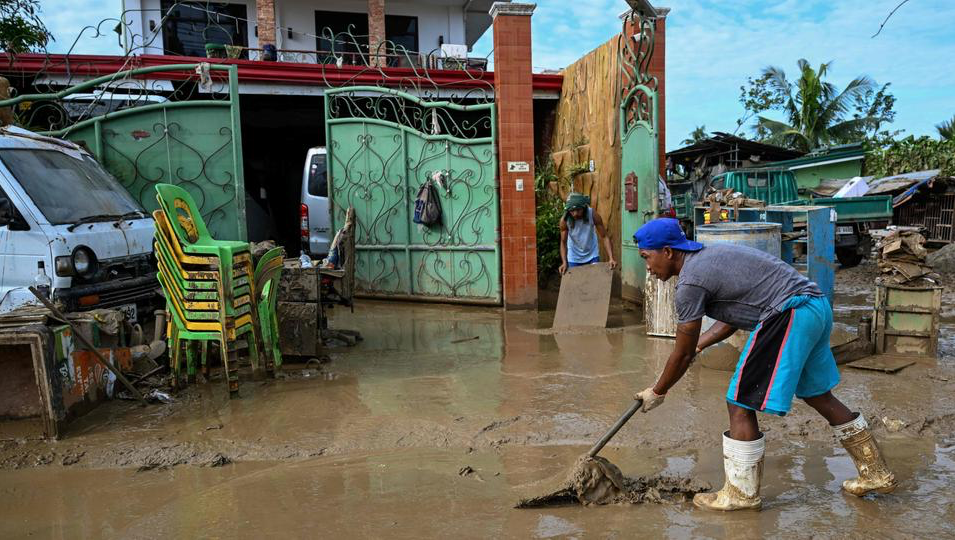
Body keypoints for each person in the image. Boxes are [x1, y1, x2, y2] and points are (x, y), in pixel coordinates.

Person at [631, 218, 896, 511]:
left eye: (646, 257)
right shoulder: (708, 257)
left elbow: (680, 354)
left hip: (789, 312)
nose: (647, 267)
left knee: (740, 402)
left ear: (668, 251)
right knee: (819, 396)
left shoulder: (690, 281)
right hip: (815, 308)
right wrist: (699, 344)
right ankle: (875, 473)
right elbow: (732, 317)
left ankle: (741, 494)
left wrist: (658, 391)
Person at [558, 193, 617, 275]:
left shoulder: (592, 214)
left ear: (584, 207)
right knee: (576, 280)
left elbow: (604, 237)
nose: (575, 213)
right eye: (572, 211)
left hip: (592, 254)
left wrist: (611, 258)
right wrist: (564, 262)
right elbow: (563, 242)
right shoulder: (564, 221)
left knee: (594, 278)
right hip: (574, 256)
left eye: (578, 210)